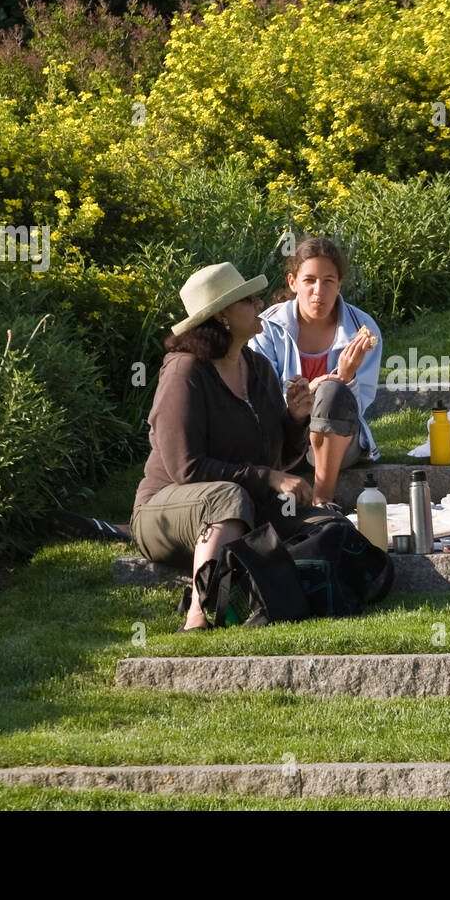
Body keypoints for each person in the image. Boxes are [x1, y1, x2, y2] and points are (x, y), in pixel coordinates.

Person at [131, 262, 316, 632]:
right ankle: (199, 611)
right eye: (249, 300)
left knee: (323, 523)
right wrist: (268, 477)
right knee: (228, 497)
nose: (261, 302)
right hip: (165, 510)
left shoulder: (259, 368)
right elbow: (188, 469)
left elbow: (273, 460)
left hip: (239, 503)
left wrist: (294, 420)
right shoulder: (185, 372)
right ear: (222, 316)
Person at [250, 236, 383, 507]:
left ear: (339, 285)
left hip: (339, 442)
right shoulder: (265, 327)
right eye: (309, 280)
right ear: (293, 282)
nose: (318, 291)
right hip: (282, 439)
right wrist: (309, 390)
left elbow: (358, 409)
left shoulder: (362, 329)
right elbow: (258, 395)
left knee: (334, 390)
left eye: (328, 281)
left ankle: (323, 498)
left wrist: (347, 379)